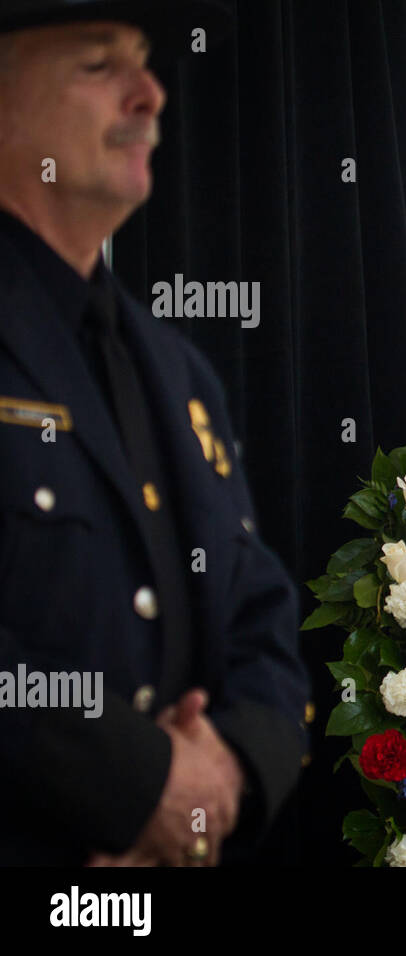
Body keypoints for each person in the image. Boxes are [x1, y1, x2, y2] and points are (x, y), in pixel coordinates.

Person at [0, 0, 307, 866]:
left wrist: (224, 774)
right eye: (101, 64)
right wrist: (140, 786)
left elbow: (261, 615)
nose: (150, 95)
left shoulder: (175, 371)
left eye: (144, 61)